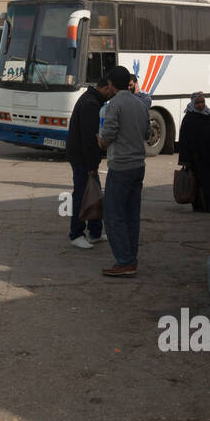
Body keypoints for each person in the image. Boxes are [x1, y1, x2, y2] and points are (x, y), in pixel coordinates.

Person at [97, 65, 148, 277]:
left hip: (120, 167)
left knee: (113, 215)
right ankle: (131, 259)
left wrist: (99, 140)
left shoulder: (114, 105)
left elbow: (106, 137)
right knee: (131, 215)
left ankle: (124, 261)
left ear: (110, 84)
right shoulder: (141, 103)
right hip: (138, 165)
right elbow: (146, 132)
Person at [65, 73, 116, 248]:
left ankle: (94, 232)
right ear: (106, 88)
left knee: (94, 194)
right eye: (111, 91)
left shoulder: (91, 100)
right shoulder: (91, 105)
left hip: (82, 157)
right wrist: (92, 165)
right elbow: (89, 139)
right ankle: (76, 233)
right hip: (82, 159)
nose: (112, 95)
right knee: (81, 194)